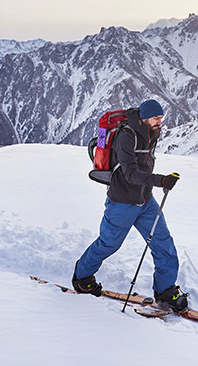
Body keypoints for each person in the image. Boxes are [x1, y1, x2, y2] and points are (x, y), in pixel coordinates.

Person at [72, 99, 188, 312]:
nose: (159, 122)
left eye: (161, 118)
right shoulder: (127, 136)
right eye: (156, 118)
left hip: (145, 201)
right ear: (144, 118)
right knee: (108, 244)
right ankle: (82, 277)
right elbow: (130, 173)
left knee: (163, 244)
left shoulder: (150, 133)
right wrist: (161, 181)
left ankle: (166, 291)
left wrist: (154, 184)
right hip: (122, 202)